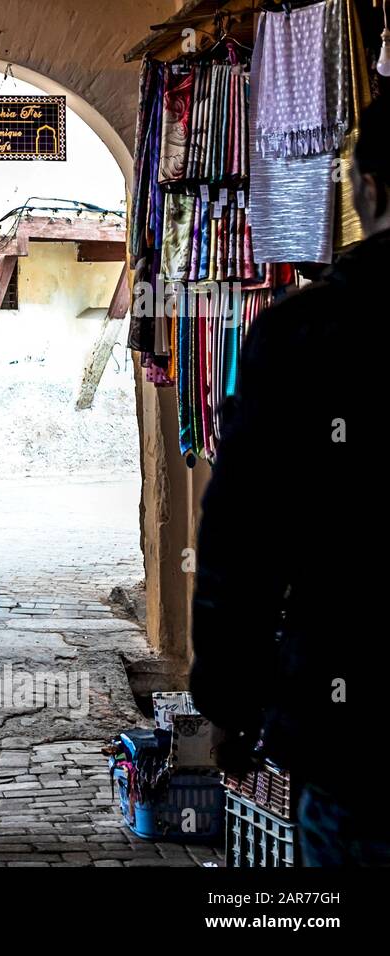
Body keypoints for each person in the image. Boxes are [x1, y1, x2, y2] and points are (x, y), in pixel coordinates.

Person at [190, 97, 389, 866]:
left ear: (367, 189)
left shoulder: (304, 336)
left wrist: (232, 710)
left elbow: (242, 545)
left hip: (356, 737)